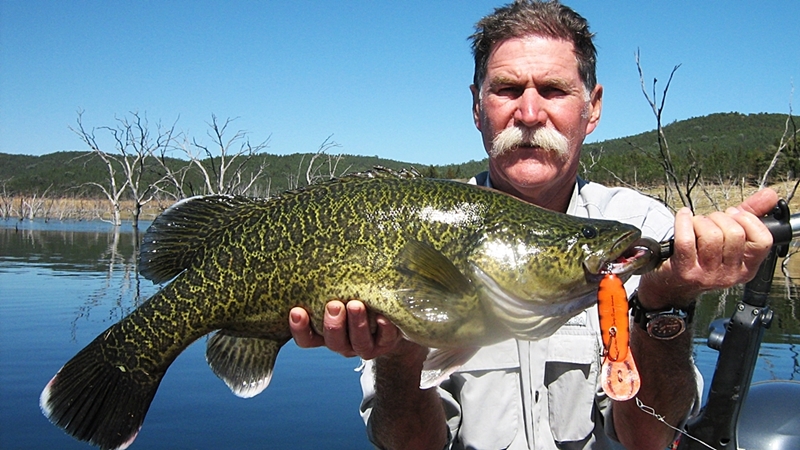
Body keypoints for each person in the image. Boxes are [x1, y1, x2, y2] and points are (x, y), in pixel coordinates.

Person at [289, 1, 777, 448]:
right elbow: (410, 444)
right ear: (477, 107)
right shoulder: (416, 224)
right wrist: (398, 354)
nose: (528, 112)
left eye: (553, 89)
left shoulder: (641, 227)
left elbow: (648, 438)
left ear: (593, 108)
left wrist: (665, 305)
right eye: (506, 90)